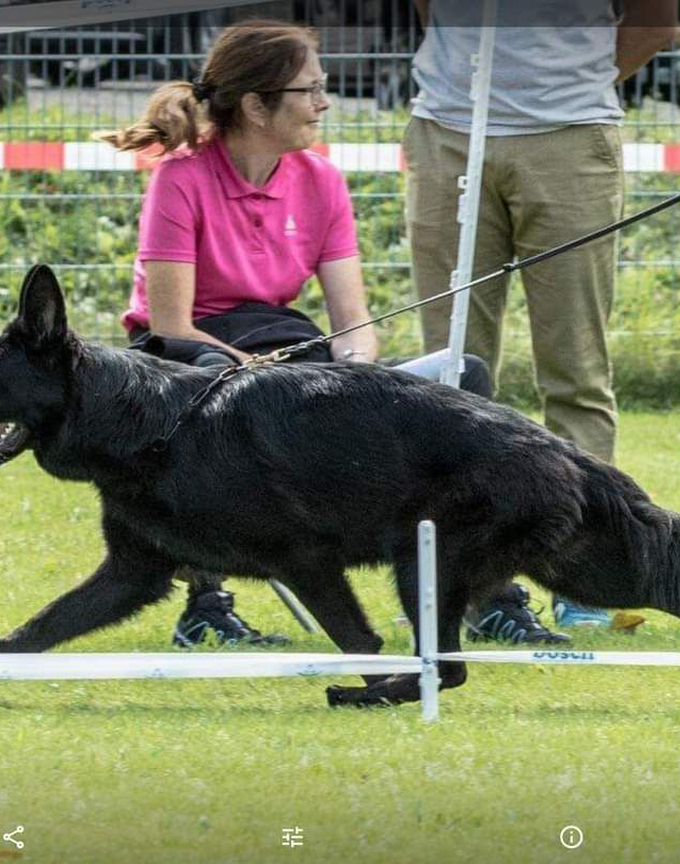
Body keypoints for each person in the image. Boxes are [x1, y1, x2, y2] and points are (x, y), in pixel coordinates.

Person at [102, 19, 492, 648]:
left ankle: (471, 590)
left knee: (462, 375)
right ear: (256, 106)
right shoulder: (180, 176)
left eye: (323, 87)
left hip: (293, 364)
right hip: (190, 363)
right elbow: (173, 325)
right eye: (309, 90)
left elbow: (355, 328)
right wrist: (262, 380)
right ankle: (208, 603)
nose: (324, 103)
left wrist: (352, 380)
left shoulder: (322, 180)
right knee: (204, 390)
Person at [405, 0, 678, 640]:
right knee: (450, 375)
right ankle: (466, 583)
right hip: (447, 131)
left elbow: (654, 20)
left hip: (570, 137)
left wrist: (565, 87)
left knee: (575, 369)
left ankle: (585, 573)